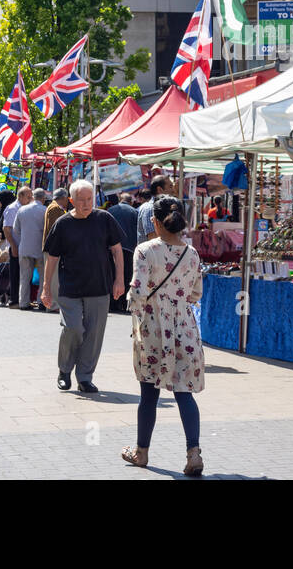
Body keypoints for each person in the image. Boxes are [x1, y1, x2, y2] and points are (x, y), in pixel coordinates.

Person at [121, 196, 205, 475]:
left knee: (148, 393)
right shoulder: (192, 253)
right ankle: (194, 453)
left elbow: (138, 291)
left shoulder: (145, 250)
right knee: (184, 393)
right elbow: (196, 293)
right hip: (185, 327)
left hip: (154, 327)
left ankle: (141, 452)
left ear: (155, 222)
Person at [41, 180, 124, 393]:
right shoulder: (62, 224)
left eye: (90, 199)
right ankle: (64, 370)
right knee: (73, 328)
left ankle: (85, 376)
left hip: (99, 286)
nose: (87, 204)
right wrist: (46, 288)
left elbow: (117, 250)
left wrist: (119, 279)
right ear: (71, 201)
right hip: (70, 287)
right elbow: (52, 258)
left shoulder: (104, 219)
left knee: (94, 334)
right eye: (81, 200)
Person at [9, 186, 47, 310]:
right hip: (40, 247)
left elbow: (16, 230)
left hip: (24, 247)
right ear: (43, 198)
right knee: (43, 276)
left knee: (25, 276)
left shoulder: (22, 210)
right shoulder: (45, 210)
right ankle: (41, 301)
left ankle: (23, 303)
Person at [39, 187, 69, 312]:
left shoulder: (51, 206)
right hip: (53, 248)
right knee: (54, 278)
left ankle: (50, 304)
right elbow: (57, 229)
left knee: (51, 277)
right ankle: (53, 305)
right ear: (63, 198)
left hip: (50, 247)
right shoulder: (56, 208)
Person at [108, 192, 139, 314]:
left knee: (112, 274)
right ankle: (122, 302)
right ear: (130, 201)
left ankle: (112, 302)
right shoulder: (134, 212)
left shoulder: (110, 210)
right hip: (129, 248)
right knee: (127, 275)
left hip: (110, 248)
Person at [136, 175, 174, 246]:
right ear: (159, 189)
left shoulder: (163, 207)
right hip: (153, 255)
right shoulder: (150, 208)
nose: (173, 190)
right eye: (170, 187)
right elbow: (153, 240)